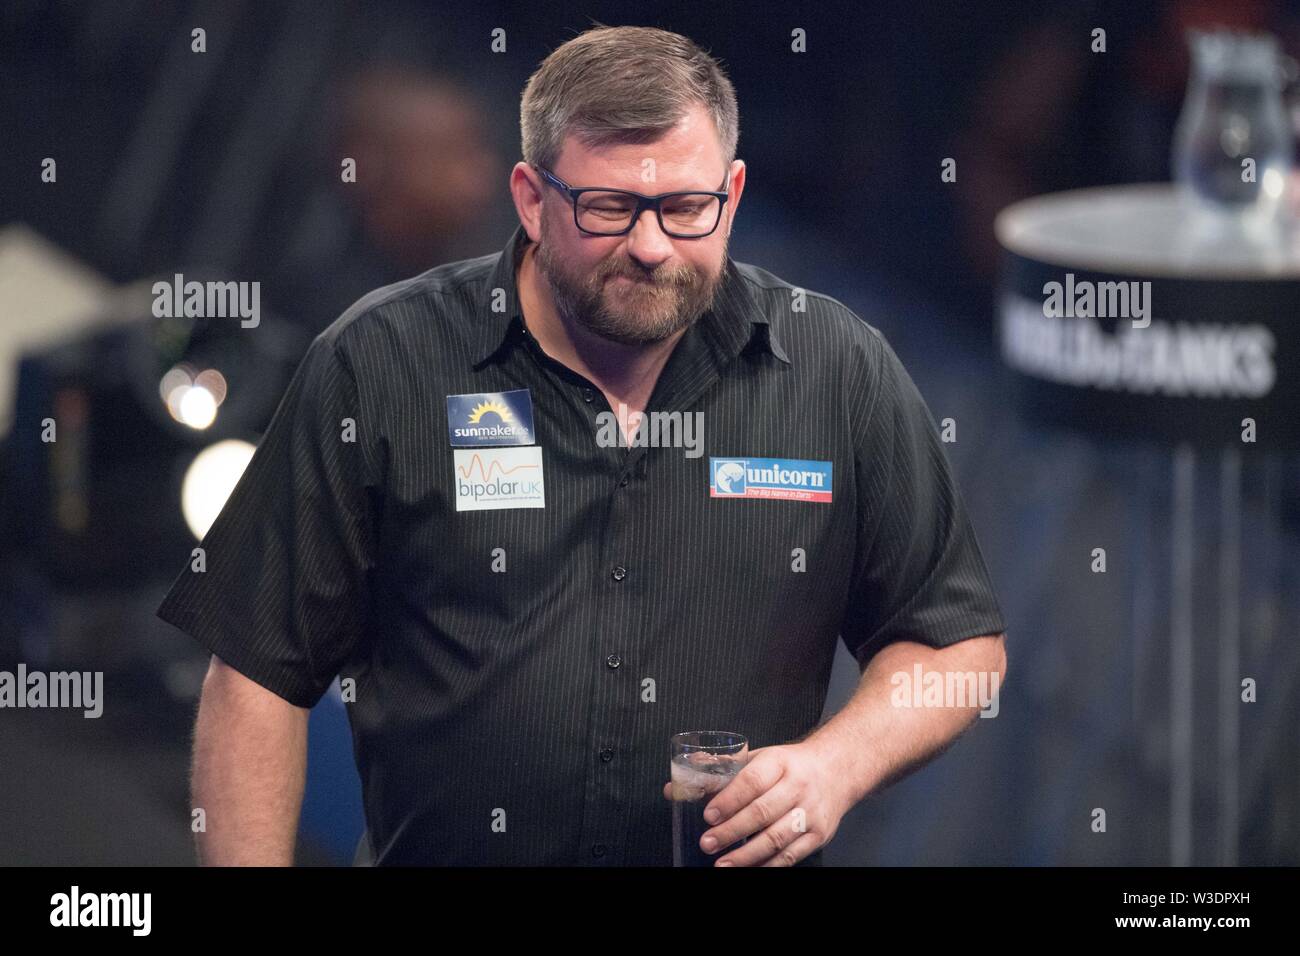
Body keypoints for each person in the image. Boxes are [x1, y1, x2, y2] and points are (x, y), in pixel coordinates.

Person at [156, 24, 1007, 867]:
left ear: (734, 194)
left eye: (685, 207)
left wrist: (837, 764)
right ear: (531, 198)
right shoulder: (382, 363)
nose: (650, 246)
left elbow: (957, 643)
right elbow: (258, 674)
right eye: (608, 208)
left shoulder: (837, 372)